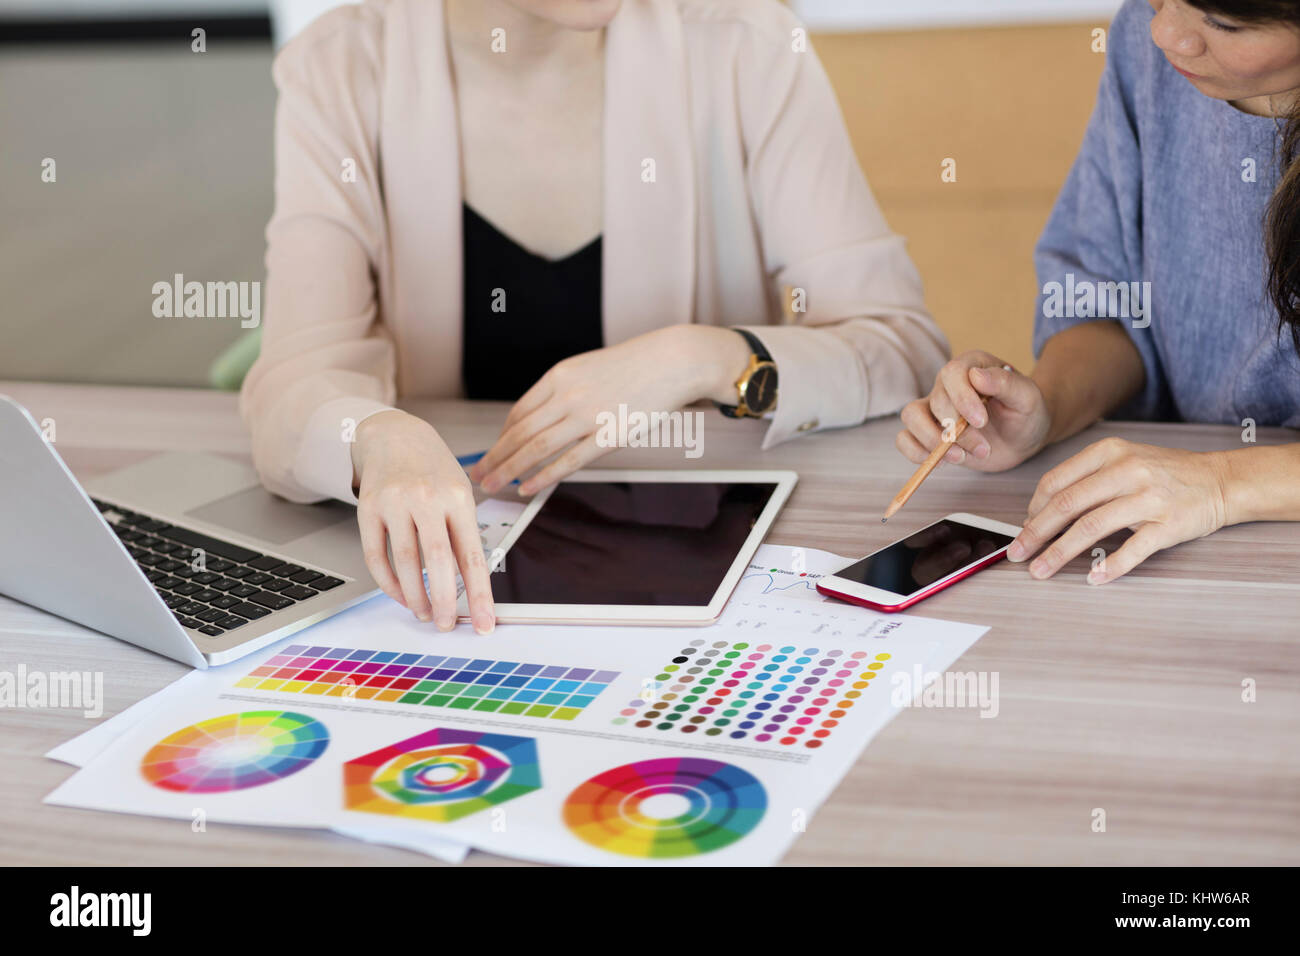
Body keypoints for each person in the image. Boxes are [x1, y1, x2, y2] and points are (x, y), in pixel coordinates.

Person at [240, 0, 948, 633]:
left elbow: (901, 344)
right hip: (457, 603)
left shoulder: (745, 41)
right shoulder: (339, 66)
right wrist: (374, 435)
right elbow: (293, 384)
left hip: (704, 579)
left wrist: (705, 356)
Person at [897, 0, 1300, 585]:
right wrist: (1045, 404)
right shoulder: (1146, 43)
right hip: (1182, 550)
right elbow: (1111, 301)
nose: (1165, 32)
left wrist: (1221, 485)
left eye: (1225, 24)